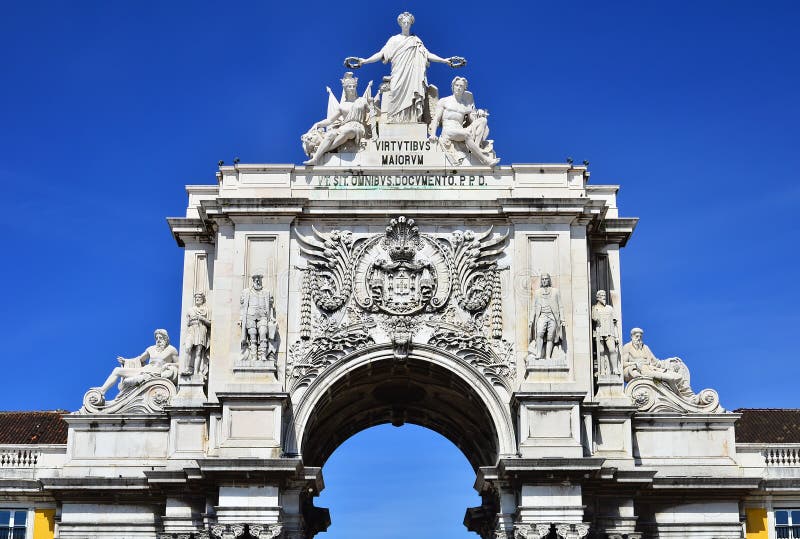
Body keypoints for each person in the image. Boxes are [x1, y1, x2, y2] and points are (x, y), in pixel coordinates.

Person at [345, 12, 464, 123]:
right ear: (400, 23)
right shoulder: (393, 40)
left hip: (412, 74)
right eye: (404, 22)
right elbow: (381, 54)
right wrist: (364, 61)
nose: (406, 24)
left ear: (411, 24)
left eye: (408, 22)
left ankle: (412, 120)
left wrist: (444, 61)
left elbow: (427, 54)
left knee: (413, 95)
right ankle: (394, 120)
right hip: (398, 73)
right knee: (395, 93)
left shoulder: (415, 40)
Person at [303, 73, 371, 165]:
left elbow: (372, 113)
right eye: (349, 87)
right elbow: (330, 120)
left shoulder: (362, 100)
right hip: (345, 126)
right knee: (330, 135)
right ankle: (315, 159)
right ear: (345, 89)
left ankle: (325, 150)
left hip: (357, 127)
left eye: (353, 86)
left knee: (347, 132)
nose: (351, 88)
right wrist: (318, 124)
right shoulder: (342, 106)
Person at [429, 76, 499, 166]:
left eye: (461, 86)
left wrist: (479, 113)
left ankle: (476, 147)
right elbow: (436, 119)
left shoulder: (465, 105)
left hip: (460, 129)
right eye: (456, 85)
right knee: (466, 135)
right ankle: (485, 160)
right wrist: (433, 134)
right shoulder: (444, 101)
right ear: (453, 86)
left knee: (483, 120)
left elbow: (473, 118)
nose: (458, 88)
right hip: (448, 130)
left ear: (464, 88)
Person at [96, 329, 179, 400]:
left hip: (155, 374)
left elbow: (179, 364)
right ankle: (102, 390)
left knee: (127, 382)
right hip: (144, 370)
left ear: (165, 338)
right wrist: (125, 361)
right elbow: (139, 359)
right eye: (156, 338)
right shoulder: (151, 349)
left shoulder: (172, 350)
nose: (158, 340)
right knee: (117, 370)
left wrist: (169, 365)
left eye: (160, 338)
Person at [621, 327, 694, 398]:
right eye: (637, 336)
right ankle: (679, 398)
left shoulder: (645, 347)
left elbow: (656, 362)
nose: (639, 338)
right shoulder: (627, 347)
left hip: (652, 369)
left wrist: (669, 360)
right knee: (670, 378)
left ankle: (689, 398)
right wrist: (634, 364)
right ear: (632, 336)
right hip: (642, 371)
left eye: (640, 336)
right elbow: (623, 364)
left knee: (678, 377)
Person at [240, 272, 277, 361]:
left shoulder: (266, 292)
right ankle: (254, 356)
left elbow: (270, 306)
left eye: (259, 278)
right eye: (255, 279)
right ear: (253, 280)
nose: (257, 281)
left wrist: (272, 316)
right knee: (252, 336)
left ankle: (263, 355)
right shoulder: (246, 292)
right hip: (250, 316)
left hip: (263, 316)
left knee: (263, 333)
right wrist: (241, 318)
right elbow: (243, 306)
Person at [529, 273, 565, 359]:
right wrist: (531, 320)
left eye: (546, 279)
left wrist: (562, 319)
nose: (544, 281)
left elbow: (560, 306)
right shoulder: (537, 293)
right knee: (539, 333)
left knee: (550, 336)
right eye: (543, 279)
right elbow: (533, 307)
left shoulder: (555, 291)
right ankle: (538, 353)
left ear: (549, 280)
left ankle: (548, 356)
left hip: (552, 316)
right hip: (542, 316)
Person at [182, 292, 211, 378]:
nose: (197, 299)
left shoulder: (206, 310)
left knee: (198, 351)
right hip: (192, 329)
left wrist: (202, 318)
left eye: (199, 297)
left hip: (201, 329)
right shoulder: (190, 310)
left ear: (202, 299)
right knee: (188, 348)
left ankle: (196, 372)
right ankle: (186, 368)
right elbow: (187, 323)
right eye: (196, 298)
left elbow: (210, 323)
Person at [591, 290, 620, 376]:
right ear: (597, 297)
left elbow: (615, 324)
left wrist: (617, 336)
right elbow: (594, 318)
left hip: (610, 331)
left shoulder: (610, 308)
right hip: (599, 331)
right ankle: (602, 370)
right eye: (601, 295)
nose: (604, 297)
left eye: (604, 295)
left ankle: (615, 369)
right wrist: (594, 310)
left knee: (612, 349)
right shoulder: (595, 308)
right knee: (601, 351)